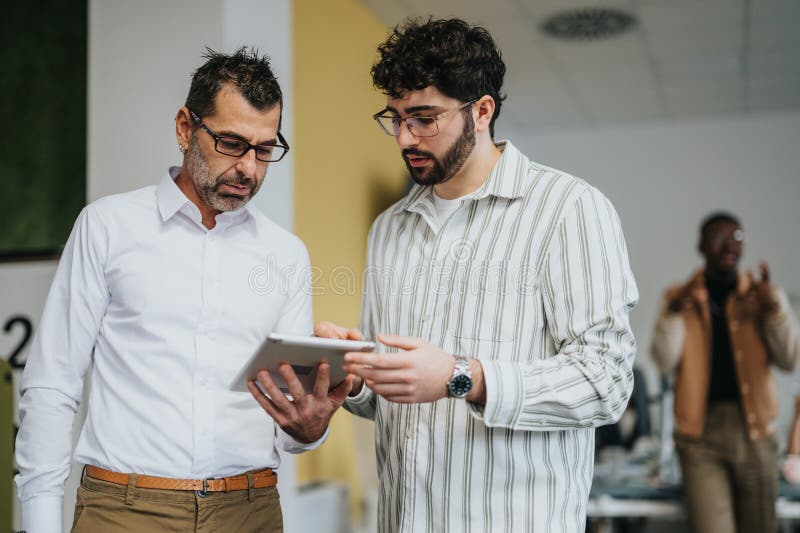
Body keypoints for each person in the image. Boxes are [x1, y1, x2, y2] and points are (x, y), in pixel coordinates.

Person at [313, 18, 639, 532]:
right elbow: (393, 400)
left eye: (424, 118)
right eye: (395, 118)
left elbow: (607, 381)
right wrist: (354, 375)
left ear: (482, 110)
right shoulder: (389, 230)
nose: (404, 137)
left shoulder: (569, 210)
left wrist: (464, 376)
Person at [15, 48, 351, 533]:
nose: (249, 169)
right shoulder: (107, 227)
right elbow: (52, 383)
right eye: (232, 144)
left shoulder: (286, 255)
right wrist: (39, 522)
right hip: (123, 512)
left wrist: (311, 429)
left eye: (264, 149)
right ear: (184, 128)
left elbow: (291, 416)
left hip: (250, 511)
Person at [651, 211, 800, 533]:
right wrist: (677, 311)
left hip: (756, 433)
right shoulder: (680, 297)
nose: (728, 246)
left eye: (736, 238)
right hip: (699, 437)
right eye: (718, 238)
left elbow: (790, 359)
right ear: (701, 245)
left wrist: (775, 308)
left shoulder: (761, 296)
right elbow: (663, 361)